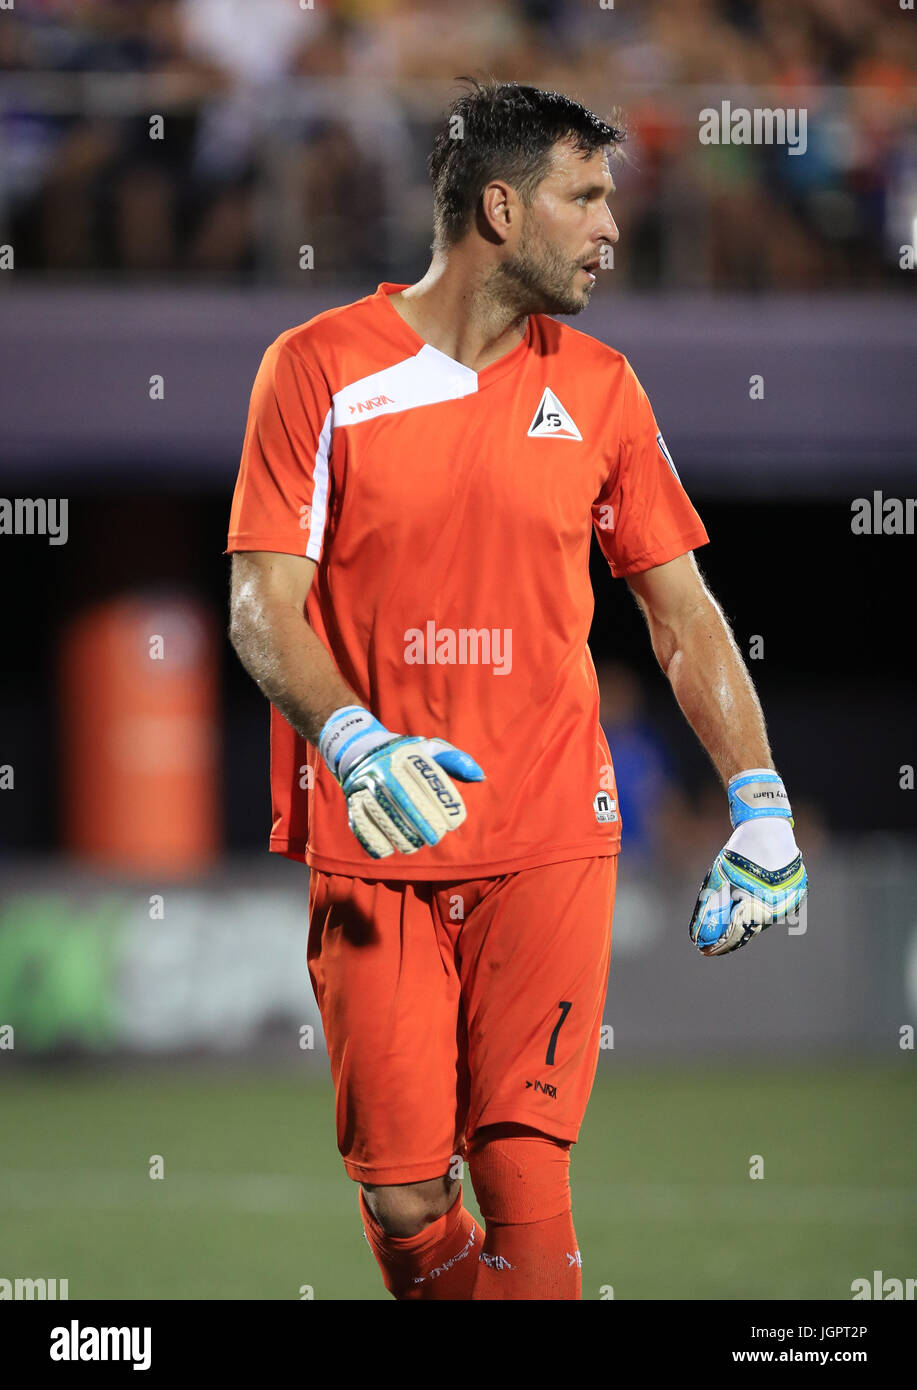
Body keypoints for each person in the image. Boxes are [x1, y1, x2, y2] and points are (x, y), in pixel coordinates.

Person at [225, 78, 807, 1301]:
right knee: (403, 1196)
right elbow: (259, 604)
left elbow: (679, 608)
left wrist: (759, 802)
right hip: (372, 830)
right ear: (500, 207)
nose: (609, 227)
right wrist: (353, 740)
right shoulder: (316, 368)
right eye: (583, 196)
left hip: (548, 833)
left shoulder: (601, 387)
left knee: (521, 1166)